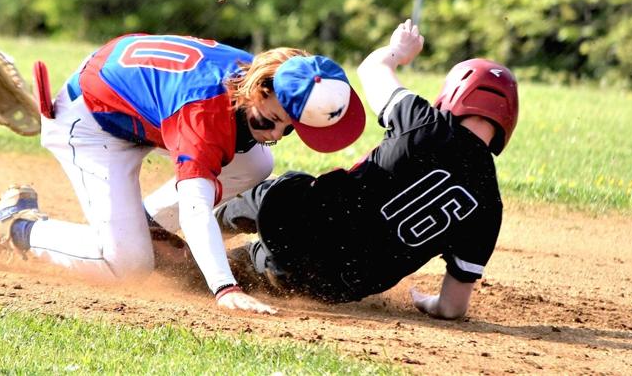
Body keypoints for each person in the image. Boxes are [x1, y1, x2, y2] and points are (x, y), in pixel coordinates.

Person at [0, 32, 366, 315]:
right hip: (90, 127)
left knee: (256, 161)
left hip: (135, 109)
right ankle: (16, 227)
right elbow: (195, 209)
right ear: (258, 91)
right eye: (269, 121)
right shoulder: (203, 116)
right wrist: (225, 288)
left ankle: (145, 225)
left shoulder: (259, 75)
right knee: (126, 265)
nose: (276, 134)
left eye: (288, 128)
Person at [215, 19, 519, 319]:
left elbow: (371, 69)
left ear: (455, 92)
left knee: (289, 188)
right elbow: (452, 307)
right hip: (330, 288)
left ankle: (209, 228)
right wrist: (429, 302)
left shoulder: (424, 122)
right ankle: (218, 268)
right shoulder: (490, 206)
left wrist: (398, 51)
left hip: (297, 228)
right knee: (260, 265)